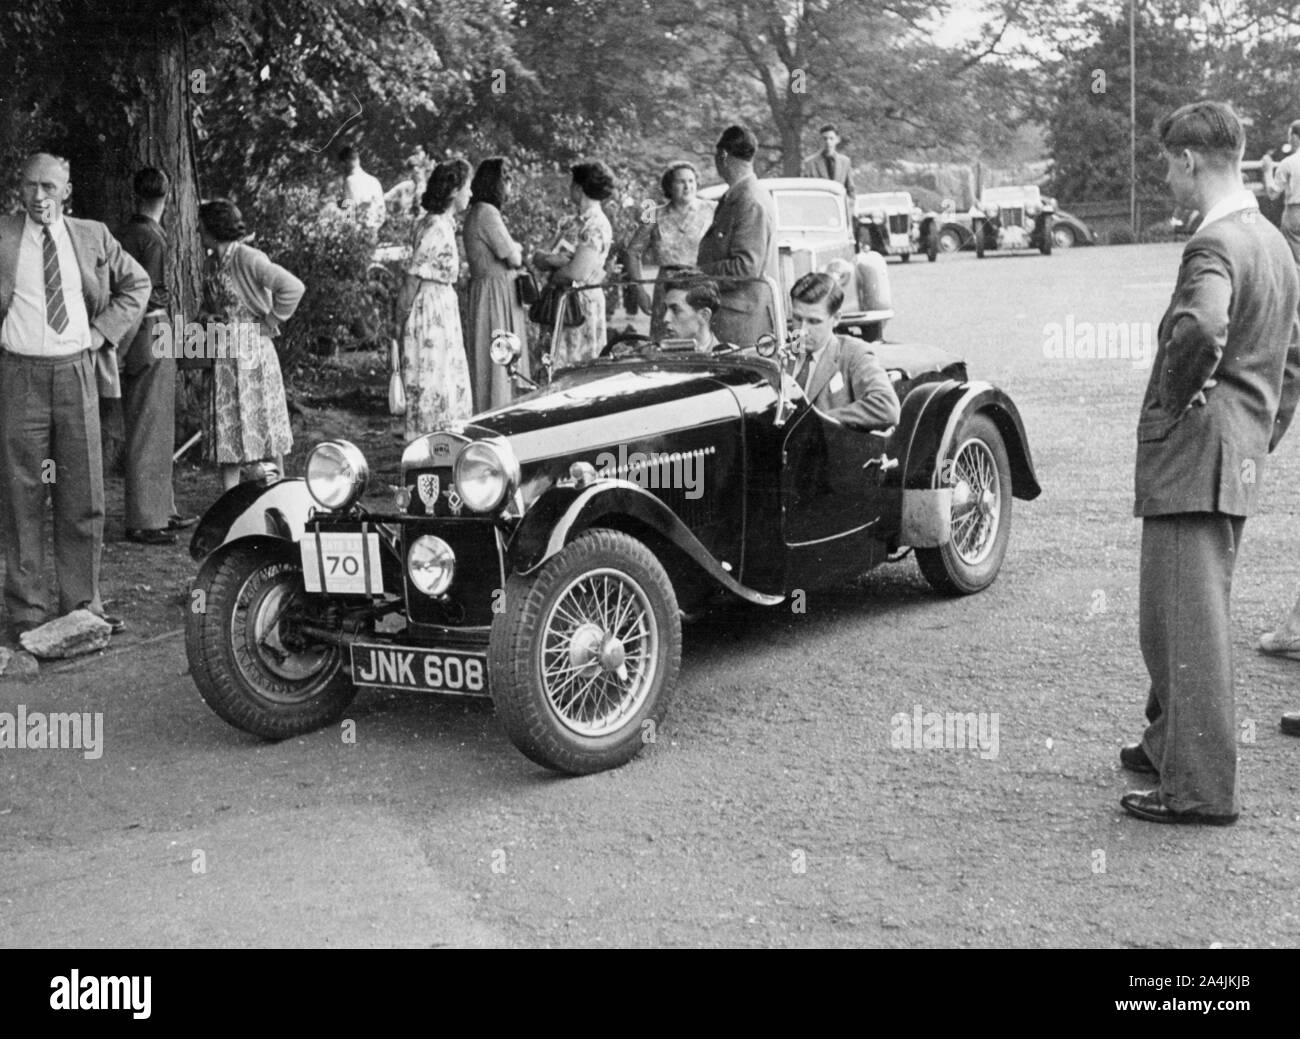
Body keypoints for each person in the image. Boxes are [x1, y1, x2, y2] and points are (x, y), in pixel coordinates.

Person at [1120, 101, 1300, 825]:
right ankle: (1168, 741)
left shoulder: (1213, 244)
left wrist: (1172, 399)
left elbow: (1201, 324)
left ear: (1191, 161)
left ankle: (1196, 788)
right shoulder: (1275, 242)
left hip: (1197, 453)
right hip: (1235, 451)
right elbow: (1292, 361)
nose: (1166, 175)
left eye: (1168, 163)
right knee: (1173, 611)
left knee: (1186, 621)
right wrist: (1259, 432)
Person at [0, 152, 150, 638]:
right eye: (29, 186)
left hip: (76, 374)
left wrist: (103, 333)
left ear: (66, 190)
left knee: (82, 492)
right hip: (19, 376)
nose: (38, 196)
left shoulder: (92, 235)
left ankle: (82, 606)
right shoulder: (2, 236)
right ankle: (27, 612)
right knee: (21, 494)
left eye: (48, 187)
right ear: (19, 190)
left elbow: (137, 283)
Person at [198, 199, 304, 492]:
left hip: (254, 353)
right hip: (225, 357)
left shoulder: (248, 257)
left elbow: (292, 287)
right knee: (228, 425)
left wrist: (271, 321)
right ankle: (230, 498)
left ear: (213, 228)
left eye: (202, 226)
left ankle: (280, 489)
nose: (198, 230)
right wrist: (208, 317)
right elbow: (207, 306)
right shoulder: (211, 263)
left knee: (265, 420)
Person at [115, 167, 196, 545]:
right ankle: (146, 519)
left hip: (135, 331)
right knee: (152, 425)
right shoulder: (153, 237)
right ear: (168, 195)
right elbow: (143, 295)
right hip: (151, 327)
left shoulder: (124, 233)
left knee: (151, 422)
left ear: (135, 194)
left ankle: (163, 508)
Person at [397, 158, 474, 438]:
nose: (471, 194)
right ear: (454, 191)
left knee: (442, 376)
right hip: (430, 309)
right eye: (467, 188)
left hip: (441, 305)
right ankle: (430, 442)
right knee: (433, 377)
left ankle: (445, 441)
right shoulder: (435, 228)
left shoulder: (440, 223)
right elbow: (412, 279)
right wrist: (399, 321)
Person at [696, 125, 779, 346]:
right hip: (734, 315)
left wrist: (699, 274)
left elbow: (745, 268)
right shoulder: (739, 196)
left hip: (739, 321)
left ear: (723, 155)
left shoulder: (749, 200)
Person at [787, 272, 899, 432]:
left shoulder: (854, 354)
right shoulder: (785, 351)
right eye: (797, 318)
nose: (802, 330)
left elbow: (886, 407)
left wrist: (820, 420)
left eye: (814, 321)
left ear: (836, 318)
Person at [532, 161, 615, 369]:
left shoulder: (596, 224)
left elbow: (576, 272)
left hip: (579, 304)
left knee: (575, 365)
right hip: (559, 301)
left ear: (579, 188)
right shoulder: (571, 222)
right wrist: (553, 261)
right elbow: (540, 256)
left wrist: (553, 267)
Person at [463, 157, 529, 411]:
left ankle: (495, 406)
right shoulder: (487, 213)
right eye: (507, 179)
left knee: (492, 356)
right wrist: (518, 249)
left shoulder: (478, 212)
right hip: (495, 293)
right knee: (500, 357)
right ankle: (500, 409)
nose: (510, 185)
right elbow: (512, 256)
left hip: (489, 290)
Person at [626, 161, 716, 336]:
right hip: (666, 287)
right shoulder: (653, 214)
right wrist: (639, 290)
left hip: (701, 284)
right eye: (680, 181)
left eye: (691, 181)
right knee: (666, 336)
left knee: (701, 336)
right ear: (669, 185)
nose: (687, 186)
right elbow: (632, 251)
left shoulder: (712, 209)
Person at [1261, 120, 1300, 263]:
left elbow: (1273, 193)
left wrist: (1267, 171)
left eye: (1290, 136)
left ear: (1295, 137)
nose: (1289, 140)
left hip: (1295, 213)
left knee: (1295, 260)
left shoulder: (1289, 162)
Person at [660, 271, 727, 353]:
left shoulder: (729, 358)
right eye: (665, 309)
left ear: (704, 316)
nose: (666, 318)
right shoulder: (657, 356)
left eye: (675, 310)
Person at [800, 122, 856, 202]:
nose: (828, 142)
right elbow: (804, 192)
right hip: (817, 207)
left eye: (831, 138)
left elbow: (851, 190)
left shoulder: (845, 162)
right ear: (820, 140)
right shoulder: (809, 163)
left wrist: (849, 207)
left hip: (839, 209)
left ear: (837, 139)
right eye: (824, 139)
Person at [336, 145, 386, 230]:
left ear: (345, 162)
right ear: (358, 160)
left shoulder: (349, 181)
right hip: (374, 229)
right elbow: (381, 210)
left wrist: (347, 230)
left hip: (359, 231)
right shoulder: (374, 180)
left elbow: (349, 210)